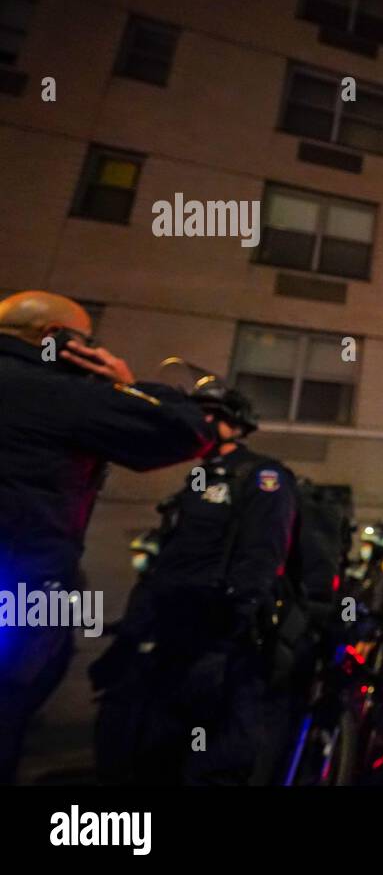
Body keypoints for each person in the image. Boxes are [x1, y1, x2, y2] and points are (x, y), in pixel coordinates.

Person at [0, 290, 213, 783]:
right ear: (56, 340)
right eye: (85, 341)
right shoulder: (54, 391)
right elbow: (184, 431)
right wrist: (122, 382)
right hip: (21, 589)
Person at [92, 379, 297, 785]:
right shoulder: (198, 478)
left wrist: (236, 615)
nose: (199, 422)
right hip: (171, 632)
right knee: (149, 750)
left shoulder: (260, 476)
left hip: (218, 639)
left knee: (211, 759)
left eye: (210, 415)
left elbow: (262, 553)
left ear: (234, 425)